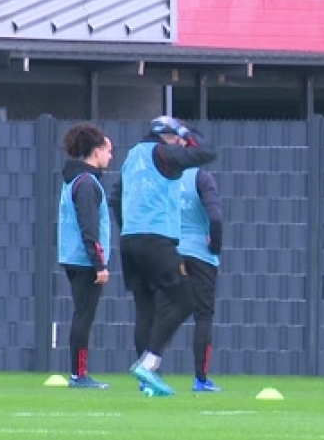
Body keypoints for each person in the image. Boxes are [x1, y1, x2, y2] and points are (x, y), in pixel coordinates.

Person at [109, 116, 217, 396]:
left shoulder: (133, 155)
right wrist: (185, 131)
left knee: (146, 309)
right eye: (178, 138)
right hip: (156, 239)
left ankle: (148, 383)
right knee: (184, 301)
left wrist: (129, 228)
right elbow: (207, 153)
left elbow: (115, 197)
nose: (182, 144)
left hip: (130, 241)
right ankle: (149, 364)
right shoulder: (162, 152)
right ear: (166, 136)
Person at [57, 123, 114, 389]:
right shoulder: (88, 184)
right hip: (84, 259)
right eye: (108, 151)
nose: (111, 156)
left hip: (73, 256)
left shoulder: (73, 180)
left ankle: (79, 373)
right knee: (84, 316)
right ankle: (79, 375)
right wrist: (99, 263)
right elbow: (89, 227)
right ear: (96, 151)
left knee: (82, 314)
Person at [177, 164, 223, 392]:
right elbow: (215, 218)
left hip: (172, 252)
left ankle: (148, 374)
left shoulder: (167, 177)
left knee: (162, 313)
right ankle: (201, 379)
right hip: (200, 256)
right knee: (203, 315)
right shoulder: (202, 177)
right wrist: (215, 246)